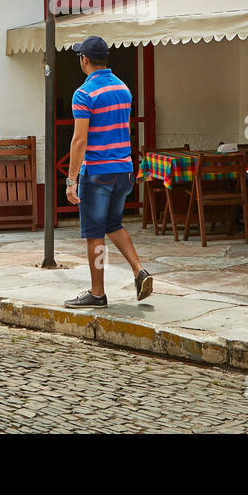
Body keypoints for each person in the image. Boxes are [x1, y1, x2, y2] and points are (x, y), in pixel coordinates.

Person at [63, 36, 153, 308]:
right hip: (124, 169)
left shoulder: (84, 93)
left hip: (98, 172)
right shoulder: (124, 89)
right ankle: (139, 271)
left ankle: (97, 292)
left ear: (85, 59)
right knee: (113, 223)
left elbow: (79, 140)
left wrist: (71, 180)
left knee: (94, 233)